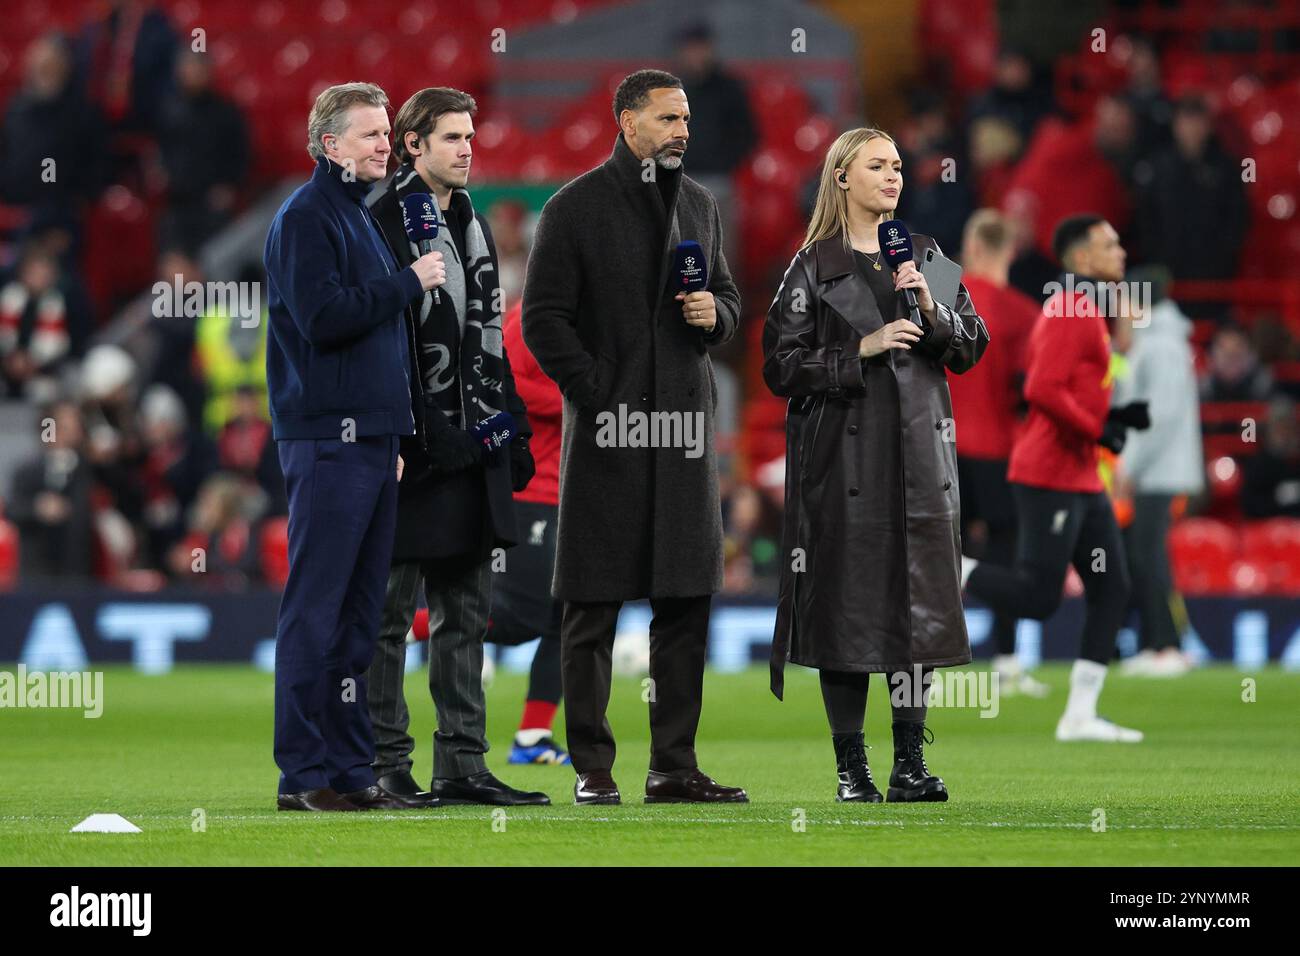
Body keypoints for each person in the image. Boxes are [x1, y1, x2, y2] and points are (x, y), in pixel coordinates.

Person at [522, 69, 746, 806]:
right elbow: (543, 320)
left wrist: (716, 314)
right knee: (590, 608)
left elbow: (731, 302)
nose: (683, 129)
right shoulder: (574, 207)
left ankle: (673, 767)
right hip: (611, 438)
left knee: (684, 609)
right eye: (667, 118)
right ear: (627, 124)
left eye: (686, 118)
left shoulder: (702, 205)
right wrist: (596, 393)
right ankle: (591, 766)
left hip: (683, 439)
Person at [764, 127, 989, 803]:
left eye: (896, 165)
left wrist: (930, 306)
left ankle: (910, 763)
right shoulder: (809, 266)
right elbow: (779, 365)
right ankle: (851, 767)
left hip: (922, 459)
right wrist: (861, 347)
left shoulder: (927, 255)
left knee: (915, 611)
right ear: (842, 177)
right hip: (844, 463)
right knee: (849, 612)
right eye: (876, 166)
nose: (893, 176)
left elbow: (972, 342)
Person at [263, 81, 446, 812]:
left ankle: (346, 768)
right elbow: (322, 319)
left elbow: (367, 340)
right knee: (317, 607)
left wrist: (390, 428)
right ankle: (303, 774)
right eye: (371, 134)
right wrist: (408, 281)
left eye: (385, 134)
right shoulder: (308, 217)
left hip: (367, 440)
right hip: (327, 440)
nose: (384, 145)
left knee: (358, 613)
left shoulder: (352, 214)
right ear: (329, 145)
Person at [364, 87, 546, 807]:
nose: (467, 149)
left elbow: (487, 337)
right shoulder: (381, 221)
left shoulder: (466, 217)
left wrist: (513, 428)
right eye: (450, 138)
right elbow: (383, 341)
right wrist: (412, 433)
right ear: (412, 144)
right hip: (414, 452)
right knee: (387, 616)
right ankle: (385, 762)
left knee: (466, 612)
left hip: (475, 443)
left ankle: (462, 764)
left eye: (470, 136)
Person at [963, 214, 1149, 742]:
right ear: (1080, 258)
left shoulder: (1083, 306)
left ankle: (1079, 715)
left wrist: (1108, 422)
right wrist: (1098, 427)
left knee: (1112, 586)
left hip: (1078, 473)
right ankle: (949, 567)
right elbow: (1043, 387)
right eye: (1109, 244)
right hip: (1049, 473)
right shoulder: (1072, 305)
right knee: (1040, 597)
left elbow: (1077, 381)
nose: (1120, 252)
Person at [949, 209, 1047, 696]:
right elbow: (1032, 390)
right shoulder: (1022, 312)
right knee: (1007, 554)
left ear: (971, 245)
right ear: (1009, 250)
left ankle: (921, 664)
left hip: (939, 444)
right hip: (998, 449)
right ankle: (1008, 664)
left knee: (937, 548)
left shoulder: (940, 287)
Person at [490, 301, 569, 765]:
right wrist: (581, 397)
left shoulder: (562, 311)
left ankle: (533, 736)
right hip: (530, 491)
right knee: (523, 619)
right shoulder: (530, 317)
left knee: (565, 617)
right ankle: (408, 626)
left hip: (559, 491)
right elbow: (507, 385)